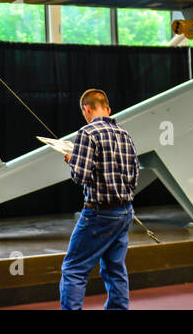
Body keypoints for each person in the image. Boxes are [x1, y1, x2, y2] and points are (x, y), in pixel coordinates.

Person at [59, 89, 139, 309]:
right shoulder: (125, 134)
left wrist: (72, 160)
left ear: (87, 109)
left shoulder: (87, 133)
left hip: (99, 214)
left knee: (73, 269)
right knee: (115, 269)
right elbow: (134, 177)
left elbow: (80, 176)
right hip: (124, 212)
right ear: (108, 109)